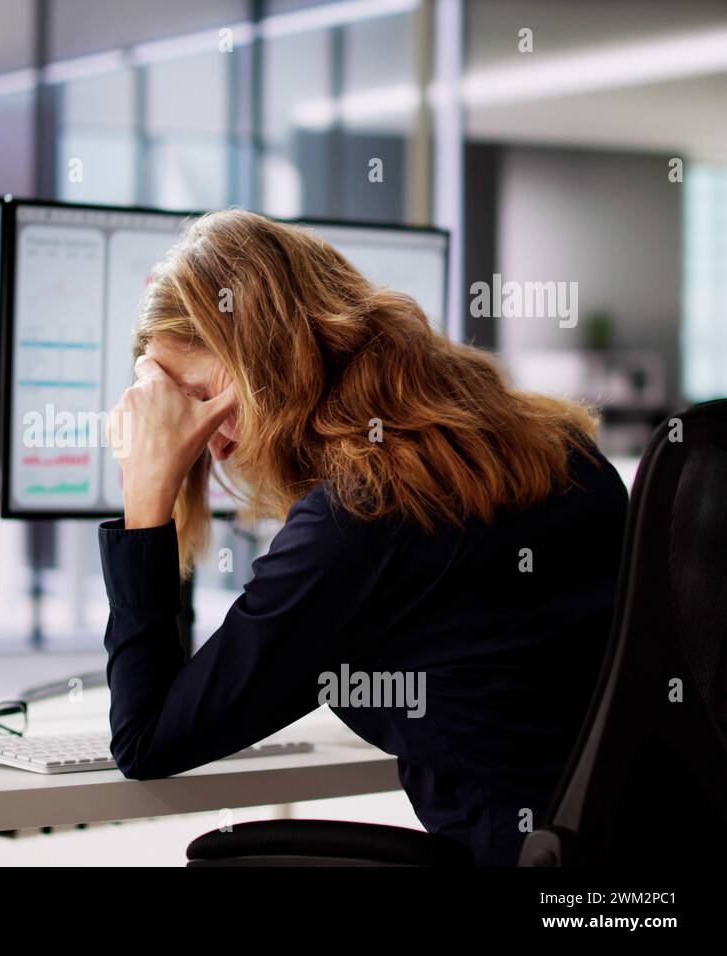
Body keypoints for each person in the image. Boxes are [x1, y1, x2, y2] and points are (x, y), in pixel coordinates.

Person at [100, 209, 629, 866]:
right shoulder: (558, 448)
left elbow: (147, 740)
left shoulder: (360, 516)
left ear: (265, 356)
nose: (205, 439)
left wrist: (147, 495)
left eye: (199, 396)